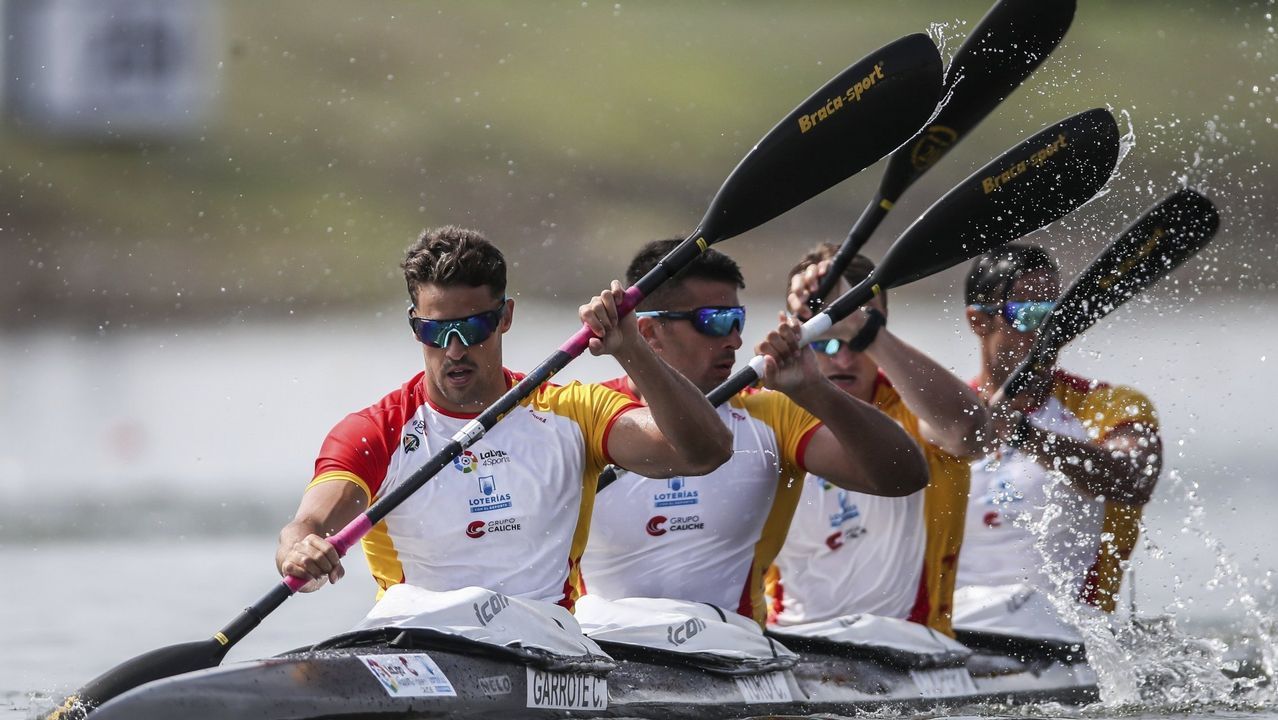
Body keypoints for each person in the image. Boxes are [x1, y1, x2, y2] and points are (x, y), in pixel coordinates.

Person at [275, 226, 733, 611]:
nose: (454, 349)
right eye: (435, 331)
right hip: (415, 644)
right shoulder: (377, 431)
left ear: (506, 317)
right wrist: (301, 554)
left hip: (545, 651)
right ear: (414, 325)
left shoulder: (573, 412)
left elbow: (704, 453)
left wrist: (631, 349)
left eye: (472, 328)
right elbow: (308, 526)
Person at [578, 240, 928, 626]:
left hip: (734, 652)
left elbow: (904, 476)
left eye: (737, 319)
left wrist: (815, 389)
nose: (735, 339)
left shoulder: (771, 415)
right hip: (607, 649)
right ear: (647, 331)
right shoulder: (585, 415)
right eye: (714, 321)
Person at [768, 245, 987, 636]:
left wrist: (861, 327)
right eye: (824, 342)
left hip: (914, 649)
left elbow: (970, 432)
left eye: (856, 341)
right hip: (794, 646)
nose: (844, 361)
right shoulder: (767, 413)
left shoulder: (916, 411)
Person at [957, 243, 1162, 611]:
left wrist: (1024, 435)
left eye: (1057, 315)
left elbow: (1135, 478)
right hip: (958, 636)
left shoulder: (1107, 406)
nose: (1049, 331)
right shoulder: (947, 417)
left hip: (1070, 641)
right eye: (1030, 314)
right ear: (979, 321)